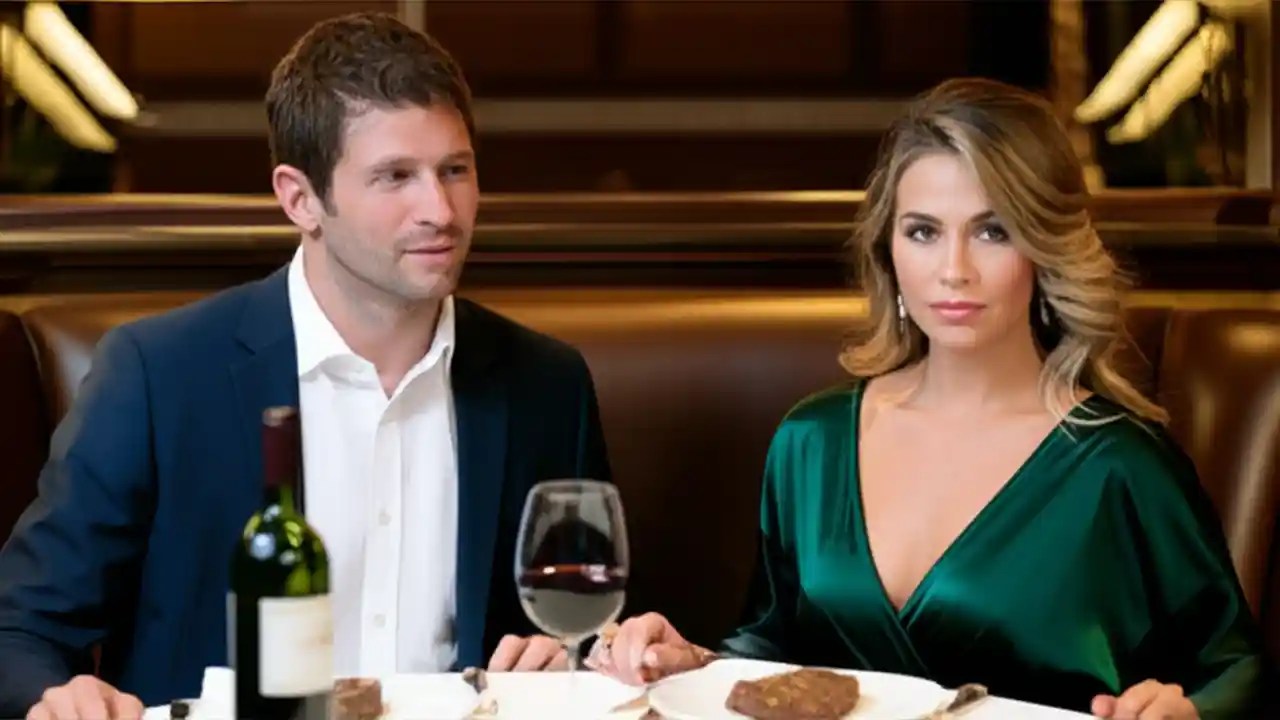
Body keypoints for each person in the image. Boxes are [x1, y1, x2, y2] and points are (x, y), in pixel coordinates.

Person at [585, 78, 1266, 719]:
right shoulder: (812, 442)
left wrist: (1188, 709)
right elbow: (774, 653)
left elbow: (1237, 671)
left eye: (993, 230)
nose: (954, 270)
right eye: (924, 231)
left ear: (1045, 250)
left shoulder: (1121, 468)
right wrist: (690, 662)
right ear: (888, 251)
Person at [0, 13, 595, 719]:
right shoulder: (159, 376)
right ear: (300, 199)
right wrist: (58, 697)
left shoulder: (547, 383)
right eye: (394, 176)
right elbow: (21, 629)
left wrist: (580, 657)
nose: (439, 209)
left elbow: (585, 629)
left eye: (455, 171)